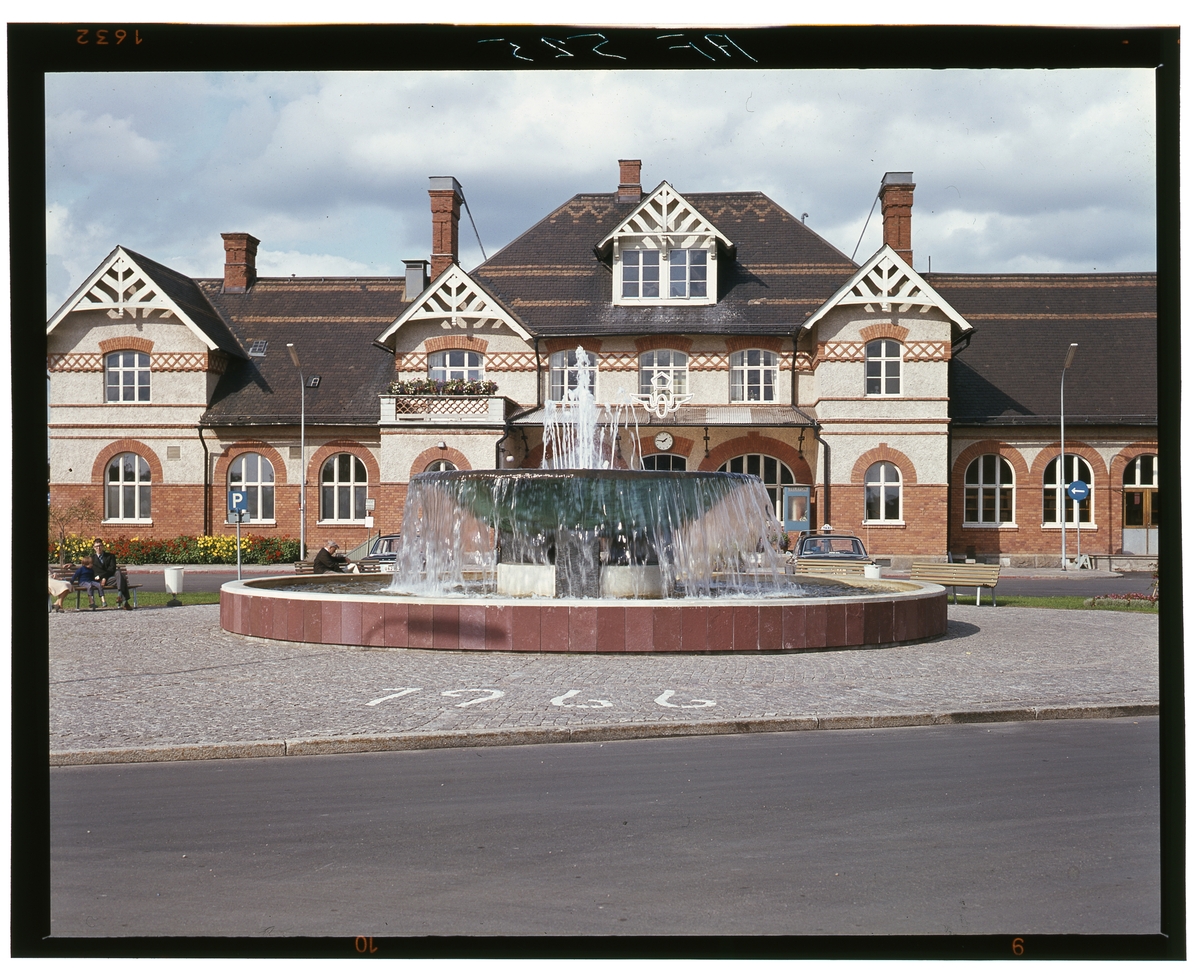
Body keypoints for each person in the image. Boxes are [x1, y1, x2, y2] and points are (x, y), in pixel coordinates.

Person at [92, 538, 133, 610]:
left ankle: (119, 595)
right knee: (122, 579)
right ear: (94, 548)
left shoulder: (110, 556)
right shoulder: (91, 558)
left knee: (118, 573)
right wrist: (102, 578)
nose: (98, 548)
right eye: (96, 546)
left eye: (100, 546)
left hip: (109, 579)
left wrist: (105, 578)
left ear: (103, 546)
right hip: (98, 581)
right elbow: (92, 570)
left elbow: (111, 569)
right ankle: (125, 602)